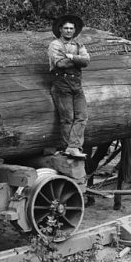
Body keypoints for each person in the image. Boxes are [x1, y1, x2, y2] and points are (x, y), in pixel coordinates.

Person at [48, 14, 90, 158]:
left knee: (82, 116)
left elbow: (87, 61)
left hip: (77, 85)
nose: (68, 31)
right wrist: (78, 60)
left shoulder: (79, 45)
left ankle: (74, 146)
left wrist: (71, 57)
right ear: (60, 29)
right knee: (67, 118)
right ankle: (69, 147)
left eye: (71, 28)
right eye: (65, 28)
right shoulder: (55, 45)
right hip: (61, 85)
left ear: (74, 30)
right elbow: (60, 64)